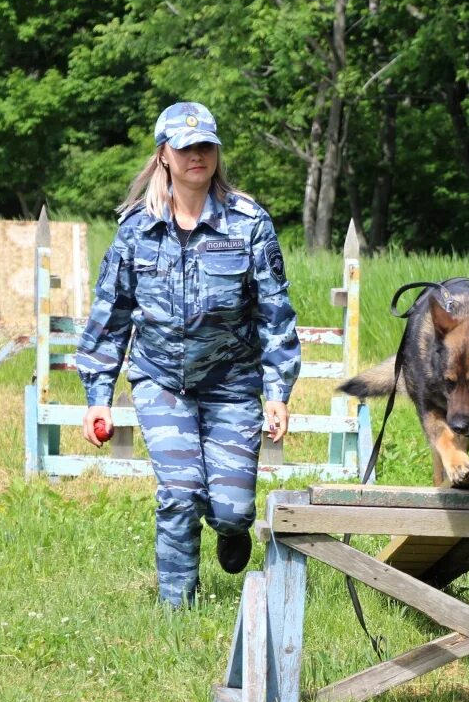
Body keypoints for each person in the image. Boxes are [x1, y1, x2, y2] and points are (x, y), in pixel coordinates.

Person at [76, 102, 301, 608]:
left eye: (206, 146)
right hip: (161, 380)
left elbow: (275, 313)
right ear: (164, 156)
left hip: (231, 383)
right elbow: (111, 314)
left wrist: (278, 392)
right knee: (178, 494)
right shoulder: (136, 228)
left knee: (231, 509)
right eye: (185, 147)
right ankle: (176, 609)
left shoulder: (249, 224)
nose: (197, 155)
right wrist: (98, 397)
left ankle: (231, 527)